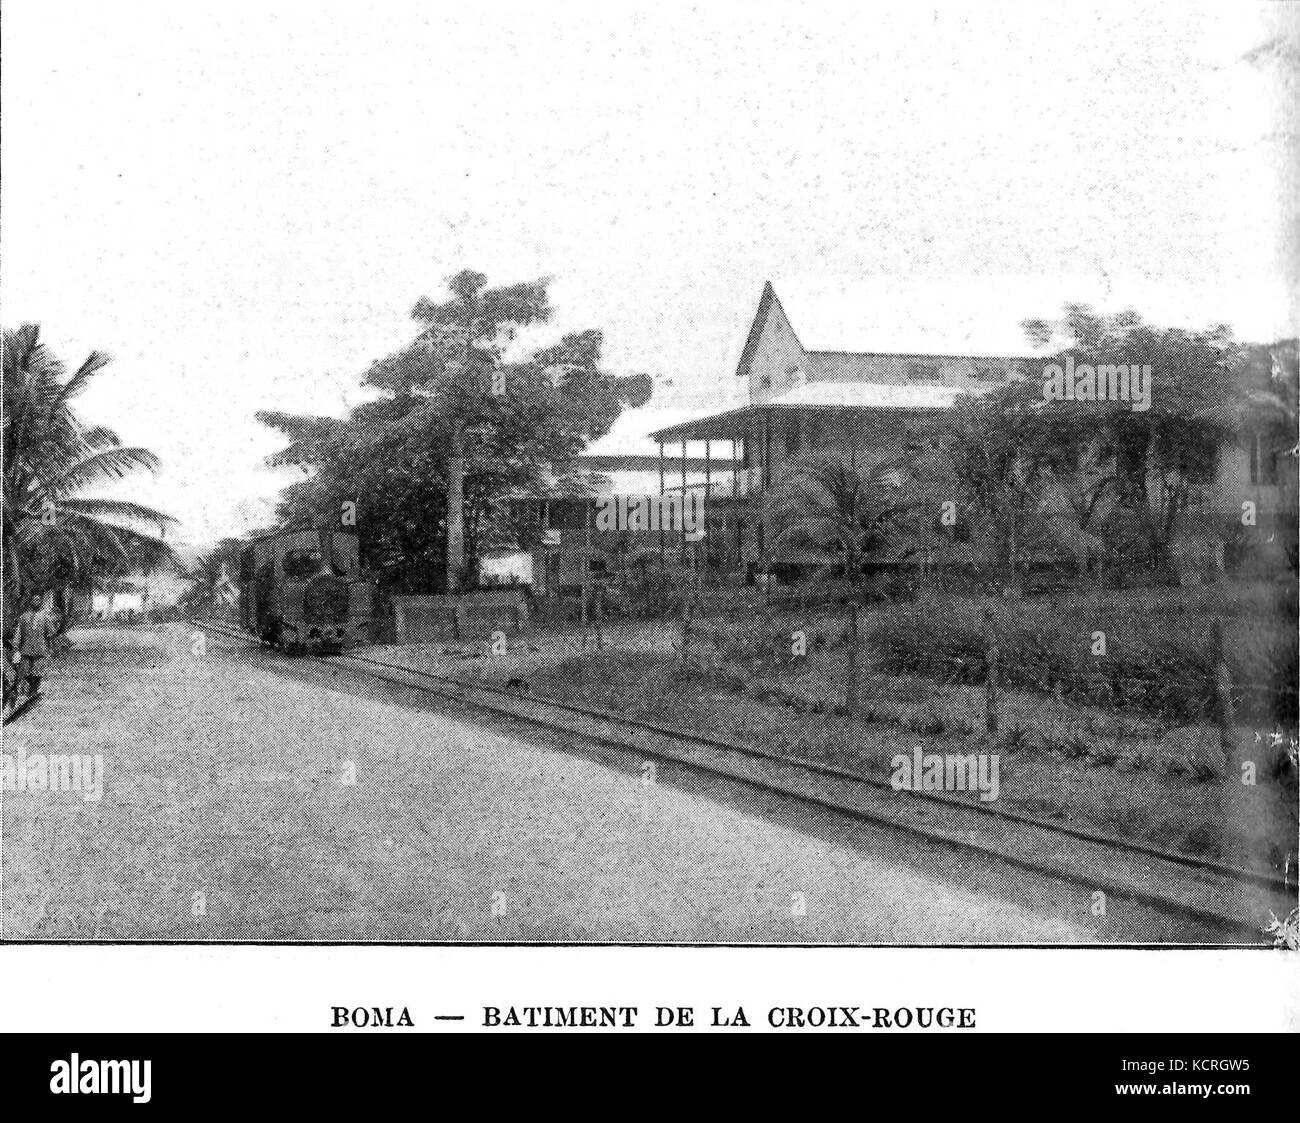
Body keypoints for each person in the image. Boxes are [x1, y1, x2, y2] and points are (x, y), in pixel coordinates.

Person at [12, 592, 57, 699]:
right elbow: (18, 633)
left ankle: (34, 691)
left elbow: (51, 633)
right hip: (26, 649)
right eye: (34, 600)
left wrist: (50, 647)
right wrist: (16, 646)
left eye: (38, 600)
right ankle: (31, 689)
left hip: (40, 649)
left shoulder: (45, 617)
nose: (36, 602)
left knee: (38, 671)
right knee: (26, 672)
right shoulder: (24, 617)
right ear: (30, 601)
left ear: (40, 602)